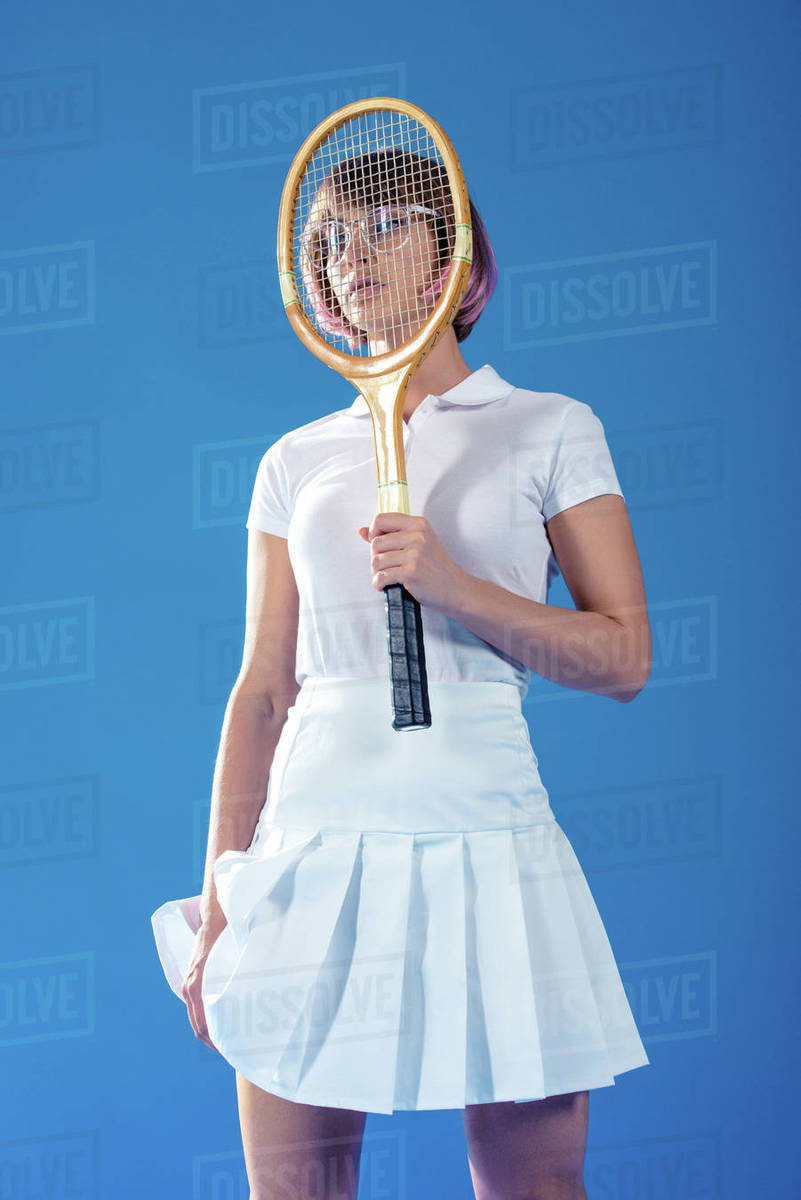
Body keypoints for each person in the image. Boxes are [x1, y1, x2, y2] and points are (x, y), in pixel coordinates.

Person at [151, 150, 652, 1200]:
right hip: (311, 848)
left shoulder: (552, 428)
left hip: (490, 838)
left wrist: (456, 586)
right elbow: (263, 692)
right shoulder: (295, 459)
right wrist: (221, 901)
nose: (351, 255)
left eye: (383, 227)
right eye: (329, 238)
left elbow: (624, 658)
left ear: (456, 265)